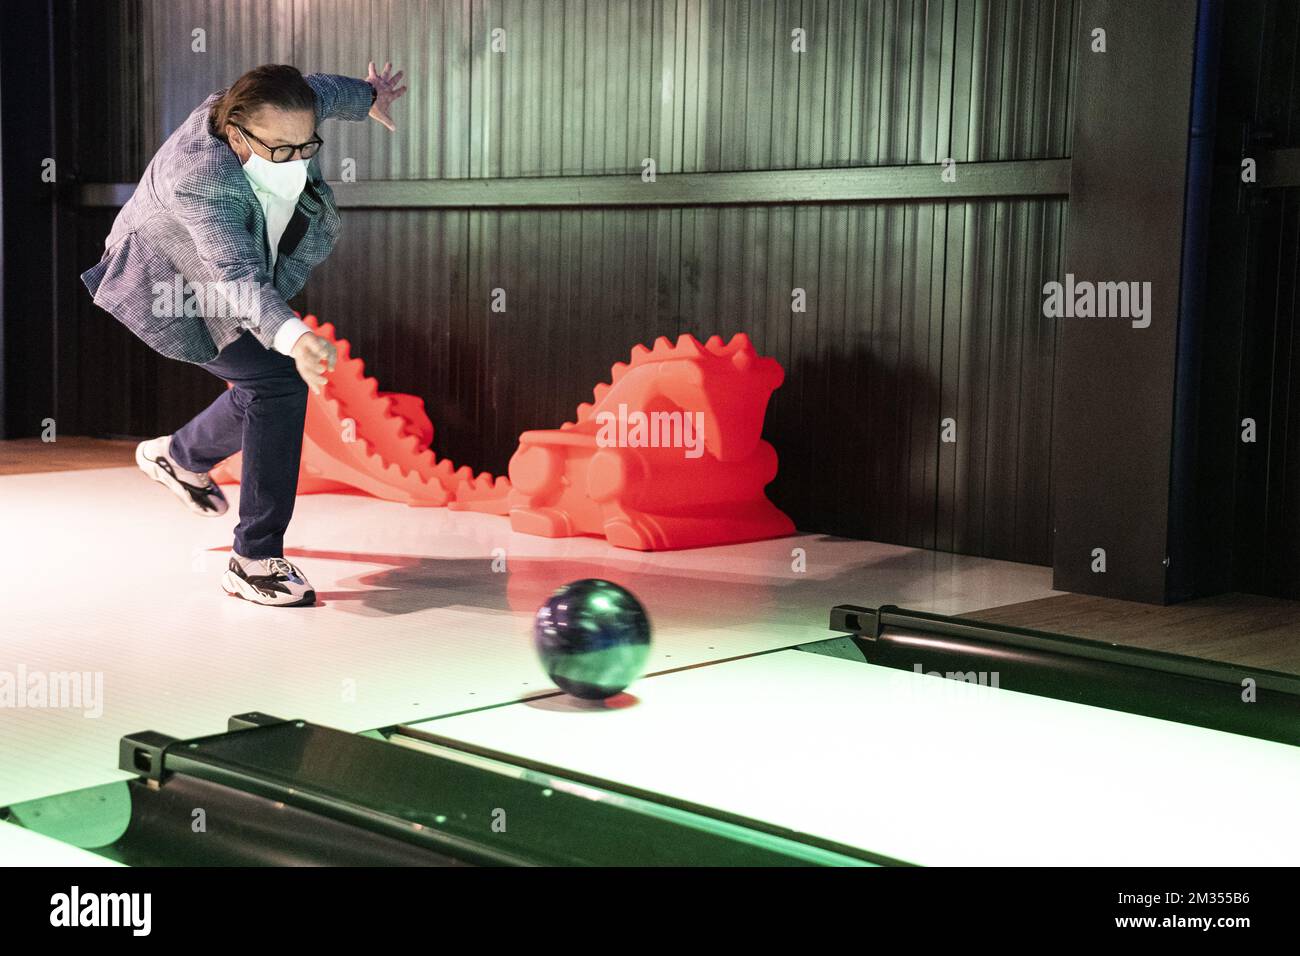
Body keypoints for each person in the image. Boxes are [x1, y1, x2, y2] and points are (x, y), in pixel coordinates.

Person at [81, 62, 407, 606]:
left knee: (268, 385)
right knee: (279, 383)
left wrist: (369, 97)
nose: (296, 159)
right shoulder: (202, 179)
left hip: (236, 269)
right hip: (176, 280)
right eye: (281, 149)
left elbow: (319, 92)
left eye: (307, 147)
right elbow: (233, 277)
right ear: (236, 133)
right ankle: (253, 560)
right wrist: (295, 336)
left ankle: (180, 457)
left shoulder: (278, 108)